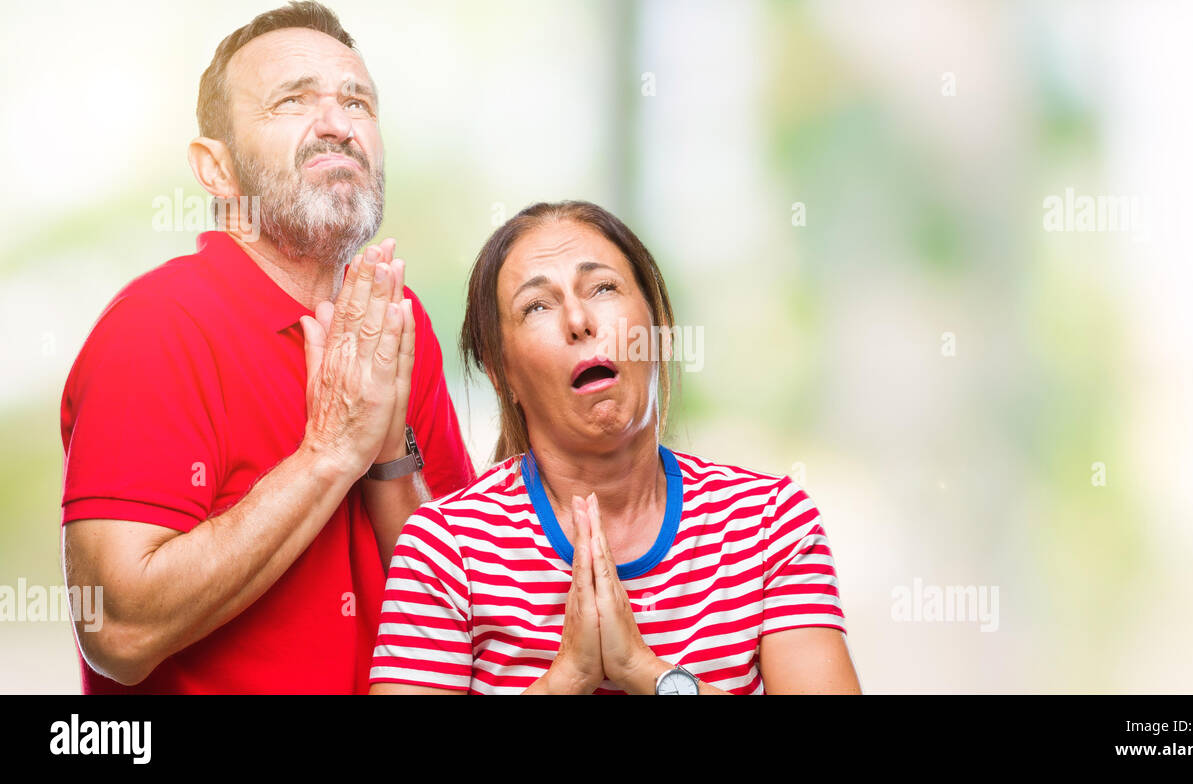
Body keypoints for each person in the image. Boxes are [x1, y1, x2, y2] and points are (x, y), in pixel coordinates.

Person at [59, 1, 474, 693]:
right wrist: (328, 454)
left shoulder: (397, 320)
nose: (338, 125)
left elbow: (467, 602)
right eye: (292, 100)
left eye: (357, 102)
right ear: (216, 169)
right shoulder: (157, 327)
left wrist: (387, 457)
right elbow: (119, 633)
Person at [369, 201, 859, 694]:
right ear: (504, 375)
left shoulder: (770, 523)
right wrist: (570, 677)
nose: (579, 320)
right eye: (537, 305)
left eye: (603, 287)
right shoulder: (445, 547)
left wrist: (645, 671)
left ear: (658, 328)